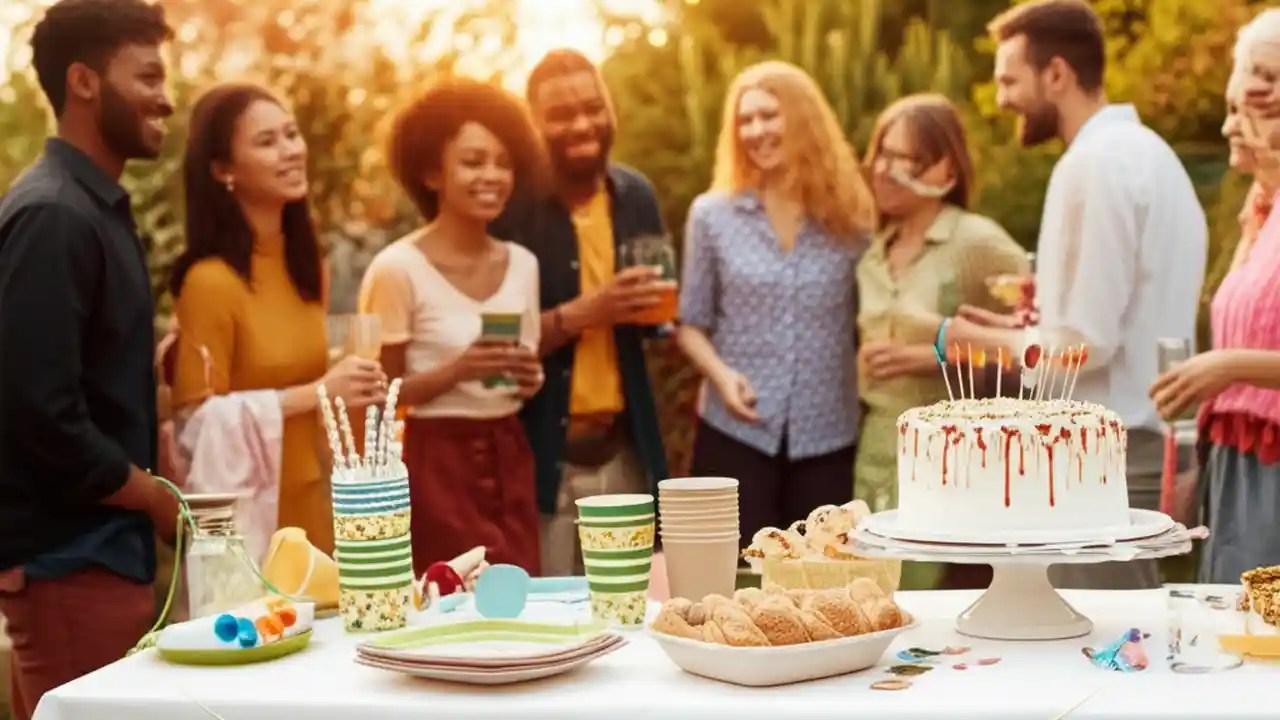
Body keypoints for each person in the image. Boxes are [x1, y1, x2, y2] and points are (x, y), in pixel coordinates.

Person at [944, 0, 1208, 589]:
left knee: (1102, 654)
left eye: (1010, 79)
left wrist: (976, 339)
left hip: (1101, 455)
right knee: (1132, 645)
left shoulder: (1091, 166)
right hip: (1142, 444)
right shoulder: (1154, 157)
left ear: (1056, 74)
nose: (1003, 97)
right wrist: (1020, 325)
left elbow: (1085, 345)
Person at [0, 1, 180, 716]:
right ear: (84, 81)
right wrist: (154, 496)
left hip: (101, 558)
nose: (166, 97)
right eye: (148, 76)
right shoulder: (53, 215)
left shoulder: (93, 206)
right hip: (69, 563)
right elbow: (39, 414)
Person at [169, 83, 386, 557]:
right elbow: (195, 422)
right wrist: (321, 391)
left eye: (291, 134)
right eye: (267, 142)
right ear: (223, 170)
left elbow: (303, 382)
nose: (290, 151)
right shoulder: (210, 282)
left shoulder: (307, 270)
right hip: (254, 520)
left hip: (317, 507)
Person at [676, 61, 874, 546]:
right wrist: (722, 379)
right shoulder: (712, 215)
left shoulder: (851, 217)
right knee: (735, 582)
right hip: (737, 435)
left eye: (769, 115)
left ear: (803, 119)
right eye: (745, 120)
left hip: (828, 434)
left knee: (823, 586)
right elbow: (689, 323)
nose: (756, 131)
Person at [491, 49, 670, 577]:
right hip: (542, 462)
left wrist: (666, 323)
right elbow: (497, 354)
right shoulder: (510, 206)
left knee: (631, 616)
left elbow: (655, 321)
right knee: (546, 625)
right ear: (534, 122)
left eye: (593, 107)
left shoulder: (636, 195)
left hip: (624, 454)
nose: (583, 124)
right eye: (561, 114)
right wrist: (585, 313)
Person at [360, 78, 547, 576]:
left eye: (504, 162)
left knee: (520, 602)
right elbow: (378, 398)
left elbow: (520, 374)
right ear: (430, 172)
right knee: (448, 605)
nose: (492, 175)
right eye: (473, 161)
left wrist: (530, 379)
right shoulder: (396, 269)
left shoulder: (524, 264)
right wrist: (459, 369)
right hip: (433, 464)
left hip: (510, 454)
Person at [855, 94, 1029, 589]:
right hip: (878, 451)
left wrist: (931, 357)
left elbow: (1038, 349)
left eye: (902, 158)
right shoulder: (872, 253)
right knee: (879, 596)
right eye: (880, 155)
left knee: (940, 613)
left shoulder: (977, 242)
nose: (884, 170)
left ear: (943, 168)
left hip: (955, 458)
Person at [1150, 9, 1280, 583]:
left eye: (1241, 107)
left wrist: (1228, 367)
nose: (1229, 127)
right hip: (1239, 471)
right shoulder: (1260, 211)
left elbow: (1237, 364)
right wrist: (1197, 472)